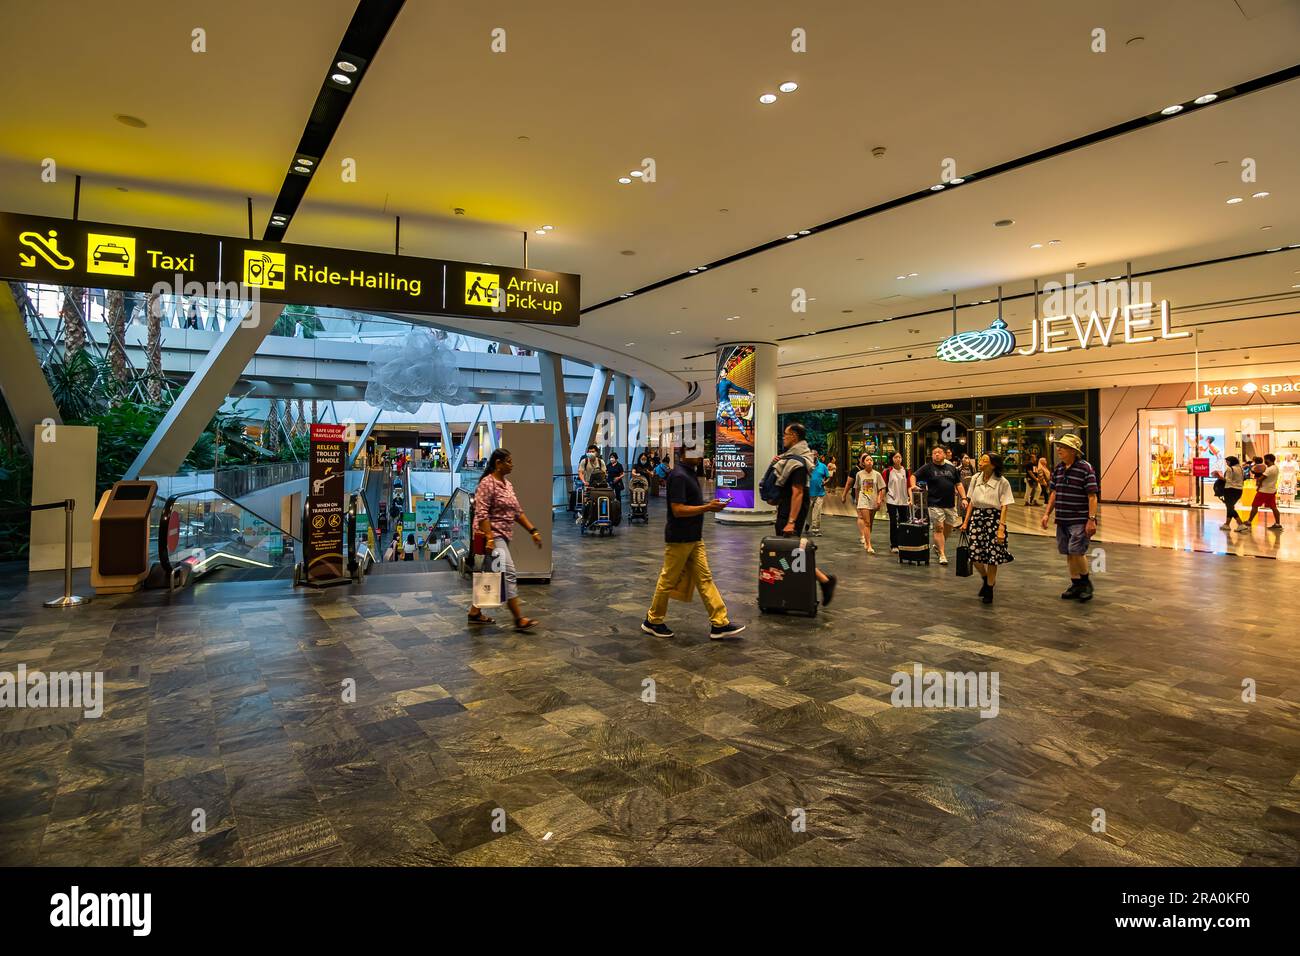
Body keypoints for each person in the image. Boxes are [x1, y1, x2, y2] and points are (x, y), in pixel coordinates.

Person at [641, 455, 745, 640]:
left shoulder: (689, 473)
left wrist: (708, 507)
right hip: (680, 538)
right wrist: (707, 508)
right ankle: (653, 620)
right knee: (667, 580)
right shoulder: (679, 476)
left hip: (694, 537)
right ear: (683, 453)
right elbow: (678, 510)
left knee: (705, 578)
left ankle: (720, 623)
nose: (699, 455)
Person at [469, 448, 544, 631]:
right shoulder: (487, 484)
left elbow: (517, 512)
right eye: (509, 461)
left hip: (503, 535)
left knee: (491, 575)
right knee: (508, 572)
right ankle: (518, 618)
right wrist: (489, 538)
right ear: (498, 463)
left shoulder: (507, 485)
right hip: (493, 536)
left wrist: (532, 530)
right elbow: (481, 514)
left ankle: (474, 612)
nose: (512, 464)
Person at [772, 422, 837, 605]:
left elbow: (798, 492)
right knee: (789, 552)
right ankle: (815, 582)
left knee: (790, 551)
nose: (783, 437)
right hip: (787, 510)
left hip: (791, 513)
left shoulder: (797, 462)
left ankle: (822, 581)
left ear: (794, 436)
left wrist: (791, 521)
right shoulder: (792, 458)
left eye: (786, 434)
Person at [1039, 434, 1100, 601]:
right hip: (1063, 519)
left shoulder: (1085, 468)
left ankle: (1086, 583)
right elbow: (1054, 492)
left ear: (1073, 451)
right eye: (1058, 446)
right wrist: (1046, 514)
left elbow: (1092, 496)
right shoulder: (1058, 469)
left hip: (1079, 519)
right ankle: (1075, 583)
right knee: (1068, 552)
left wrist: (1091, 519)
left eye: (1063, 447)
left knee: (1077, 551)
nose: (1058, 449)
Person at [961, 453, 1015, 604]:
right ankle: (985, 578)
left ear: (993, 465)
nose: (981, 462)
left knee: (993, 557)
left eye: (985, 460)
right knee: (975, 554)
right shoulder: (975, 478)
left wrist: (1001, 528)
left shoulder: (1002, 482)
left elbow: (1005, 506)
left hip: (994, 519)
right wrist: (965, 522)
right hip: (977, 518)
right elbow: (971, 502)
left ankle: (989, 589)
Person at [915, 445, 968, 566]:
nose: (936, 455)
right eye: (934, 453)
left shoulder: (951, 468)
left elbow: (958, 484)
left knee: (948, 527)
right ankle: (942, 555)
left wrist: (964, 498)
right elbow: (914, 475)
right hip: (934, 503)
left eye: (939, 452)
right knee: (939, 528)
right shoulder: (928, 468)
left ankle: (937, 546)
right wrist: (913, 486)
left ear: (944, 454)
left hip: (949, 503)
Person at [843, 452, 885, 552]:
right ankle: (869, 545)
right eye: (867, 460)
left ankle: (867, 540)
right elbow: (856, 488)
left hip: (873, 500)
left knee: (870, 523)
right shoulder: (859, 474)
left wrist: (879, 499)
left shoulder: (877, 474)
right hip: (863, 501)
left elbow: (882, 488)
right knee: (866, 522)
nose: (870, 461)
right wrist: (858, 500)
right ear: (863, 463)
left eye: (871, 460)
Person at [1241, 453, 1283, 531]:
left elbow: (1261, 478)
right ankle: (1278, 523)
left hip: (1264, 491)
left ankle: (1249, 521)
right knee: (1274, 507)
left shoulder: (1270, 469)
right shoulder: (1275, 467)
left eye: (1265, 459)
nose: (1264, 461)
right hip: (1271, 490)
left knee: (1255, 505)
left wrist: (1258, 482)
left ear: (1269, 460)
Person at [883, 451, 915, 554]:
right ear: (892, 459)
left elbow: (909, 486)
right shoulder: (887, 472)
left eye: (900, 457)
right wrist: (881, 498)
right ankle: (894, 545)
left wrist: (911, 498)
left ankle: (902, 542)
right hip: (891, 499)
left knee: (903, 521)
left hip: (903, 500)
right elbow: (883, 486)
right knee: (893, 522)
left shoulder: (906, 471)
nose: (898, 459)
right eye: (896, 457)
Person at [1215, 455, 1245, 530]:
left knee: (1230, 507)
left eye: (1227, 461)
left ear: (1231, 461)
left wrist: (1219, 477)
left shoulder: (1230, 469)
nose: (1226, 463)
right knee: (1230, 507)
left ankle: (1241, 524)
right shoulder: (1240, 468)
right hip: (1239, 490)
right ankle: (1227, 524)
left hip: (1230, 490)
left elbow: (1227, 480)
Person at [807, 448, 830, 536]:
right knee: (808, 512)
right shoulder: (807, 466)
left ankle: (816, 529)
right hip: (809, 493)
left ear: (817, 456)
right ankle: (808, 523)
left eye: (813, 455)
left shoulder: (823, 466)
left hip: (819, 493)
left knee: (817, 512)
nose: (812, 456)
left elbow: (828, 477)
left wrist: (825, 482)